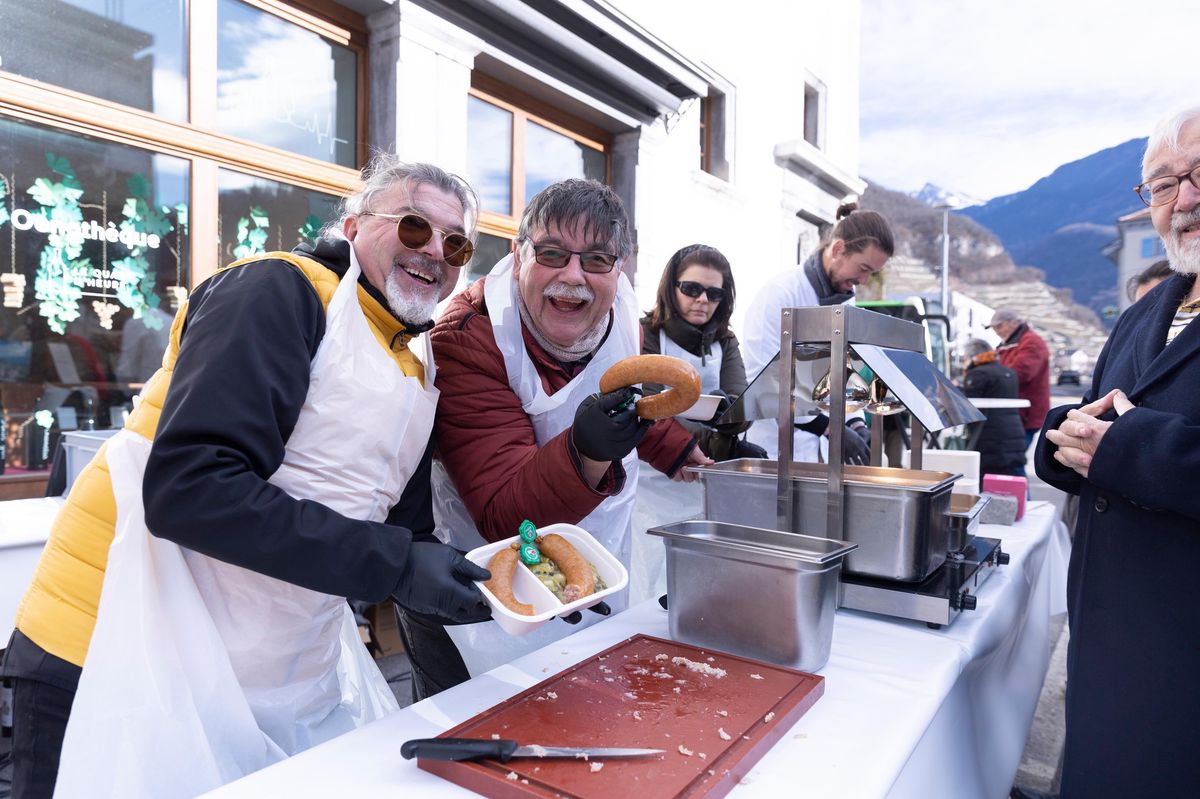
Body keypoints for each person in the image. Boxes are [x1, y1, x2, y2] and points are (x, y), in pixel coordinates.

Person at [0, 156, 493, 798]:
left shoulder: (415, 361)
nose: (434, 252)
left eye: (455, 243)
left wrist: (458, 578)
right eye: (412, 226)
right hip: (108, 641)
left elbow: (396, 523)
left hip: (251, 664)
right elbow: (191, 489)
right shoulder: (278, 292)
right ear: (352, 226)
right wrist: (394, 566)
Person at [401, 178, 708, 694]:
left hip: (587, 567)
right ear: (519, 257)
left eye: (595, 260)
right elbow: (502, 510)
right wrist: (586, 452)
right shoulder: (466, 337)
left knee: (584, 717)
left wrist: (679, 450)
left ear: (620, 270)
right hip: (476, 592)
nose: (573, 277)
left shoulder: (617, 313)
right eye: (552, 253)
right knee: (475, 742)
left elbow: (624, 399)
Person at [1033, 103, 1200, 798]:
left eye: (1198, 175)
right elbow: (1099, 416)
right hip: (1109, 649)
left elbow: (1125, 438)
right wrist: (1062, 441)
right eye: (1163, 185)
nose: (1184, 200)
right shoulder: (1144, 313)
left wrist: (1125, 445)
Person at [741, 202, 894, 463]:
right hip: (773, 449)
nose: (864, 281)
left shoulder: (846, 301)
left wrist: (856, 423)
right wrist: (830, 428)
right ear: (838, 249)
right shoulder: (780, 294)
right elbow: (762, 381)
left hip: (819, 455)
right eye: (864, 269)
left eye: (872, 274)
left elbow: (843, 372)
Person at [639, 244, 764, 460]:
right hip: (655, 474)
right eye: (691, 289)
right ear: (671, 288)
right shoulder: (646, 333)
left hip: (710, 469)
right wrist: (723, 446)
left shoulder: (726, 341)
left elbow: (743, 408)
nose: (703, 299)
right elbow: (648, 411)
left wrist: (723, 412)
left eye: (714, 293)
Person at [987, 307, 1049, 470]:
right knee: (1008, 461)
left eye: (999, 326)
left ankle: (1021, 496)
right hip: (1013, 413)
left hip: (1025, 414)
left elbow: (1021, 373)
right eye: (993, 328)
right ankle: (1016, 495)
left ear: (1014, 323)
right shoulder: (1006, 344)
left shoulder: (1031, 342)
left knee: (1012, 461)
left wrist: (988, 377)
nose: (996, 331)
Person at [959, 338, 1026, 476]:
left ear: (972, 356)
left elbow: (967, 408)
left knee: (985, 483)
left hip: (988, 438)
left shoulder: (978, 374)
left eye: (965, 357)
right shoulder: (1009, 372)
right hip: (1013, 435)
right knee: (1009, 482)